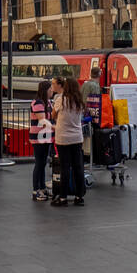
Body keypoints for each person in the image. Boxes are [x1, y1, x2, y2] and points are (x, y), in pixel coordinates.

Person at [51, 75, 86, 206]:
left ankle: (63, 197)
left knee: (65, 168)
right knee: (78, 167)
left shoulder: (61, 100)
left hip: (63, 138)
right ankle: (79, 196)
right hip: (77, 137)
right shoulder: (79, 101)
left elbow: (53, 115)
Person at [30, 79, 54, 200]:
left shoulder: (48, 102)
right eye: (50, 89)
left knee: (43, 163)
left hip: (46, 137)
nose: (52, 90)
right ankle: (36, 190)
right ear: (45, 90)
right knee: (39, 163)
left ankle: (42, 187)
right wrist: (55, 127)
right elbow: (42, 120)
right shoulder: (38, 103)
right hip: (38, 137)